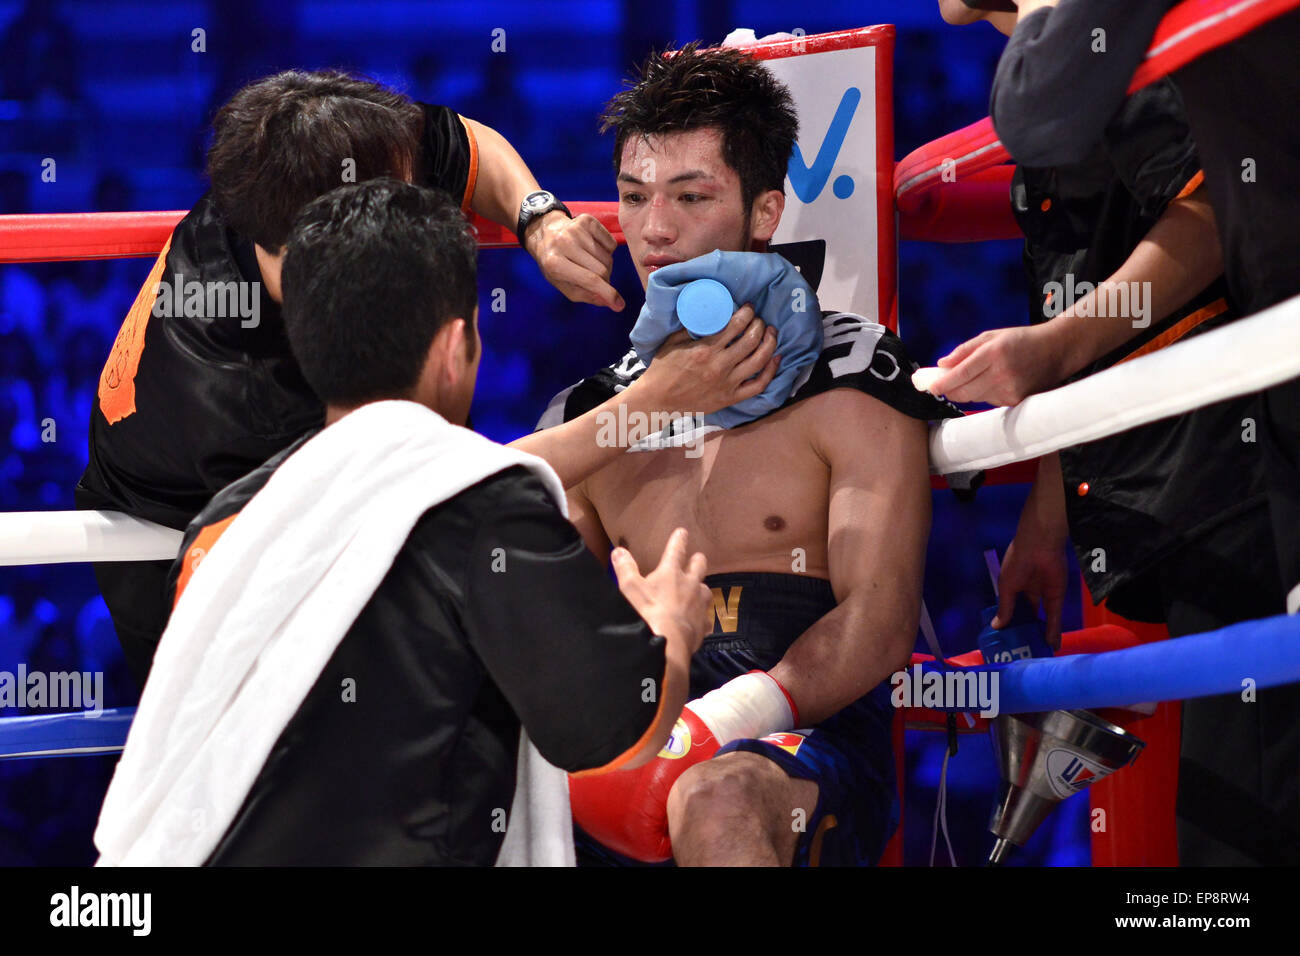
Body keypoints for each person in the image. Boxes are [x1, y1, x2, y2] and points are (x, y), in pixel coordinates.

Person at [75, 69, 777, 687]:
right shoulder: (241, 393)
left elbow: (460, 143)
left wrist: (542, 223)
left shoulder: (294, 172)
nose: (424, 208)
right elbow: (427, 494)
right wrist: (655, 402)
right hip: (197, 553)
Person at [94, 179, 713, 866]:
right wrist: (671, 630)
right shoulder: (483, 503)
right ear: (456, 346)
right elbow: (616, 731)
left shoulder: (226, 519)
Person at [541, 44, 958, 867]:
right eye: (634, 198)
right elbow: (536, 619)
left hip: (806, 745)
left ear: (765, 213)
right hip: (630, 735)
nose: (655, 230)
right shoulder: (592, 417)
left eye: (691, 197)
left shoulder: (855, 375)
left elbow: (878, 621)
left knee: (721, 794)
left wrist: (717, 724)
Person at [935, 0, 1300, 864]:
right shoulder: (1078, 60)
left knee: (1240, 833)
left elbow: (1209, 214)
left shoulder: (1110, 58)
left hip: (1226, 471)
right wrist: (1046, 519)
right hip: (1163, 480)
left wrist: (1056, 346)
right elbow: (1075, 289)